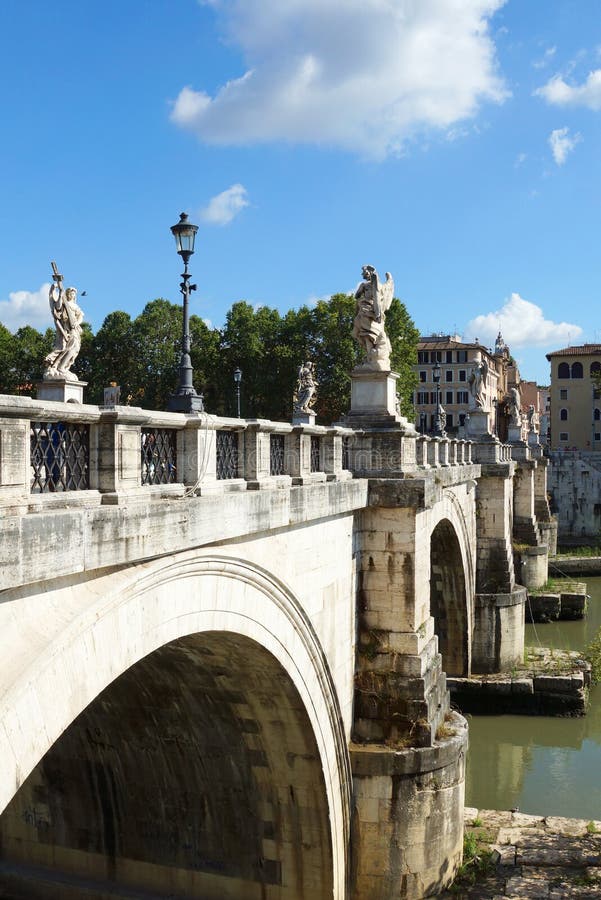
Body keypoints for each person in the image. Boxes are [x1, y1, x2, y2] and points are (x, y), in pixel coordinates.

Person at [352, 265, 394, 369]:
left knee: (369, 333)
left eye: (366, 273)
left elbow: (379, 298)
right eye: (364, 274)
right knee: (365, 333)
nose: (364, 275)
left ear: (371, 273)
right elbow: (357, 295)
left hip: (372, 311)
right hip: (365, 309)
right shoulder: (365, 285)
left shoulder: (378, 285)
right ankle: (370, 357)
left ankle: (372, 357)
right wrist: (363, 288)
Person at [44, 272, 84, 381]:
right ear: (67, 294)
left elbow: (80, 316)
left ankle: (64, 366)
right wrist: (60, 293)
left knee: (75, 348)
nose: (73, 294)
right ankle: (60, 367)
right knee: (68, 347)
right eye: (71, 292)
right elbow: (57, 307)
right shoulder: (64, 302)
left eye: (74, 293)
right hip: (66, 328)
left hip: (74, 328)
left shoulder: (76, 306)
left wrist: (77, 323)